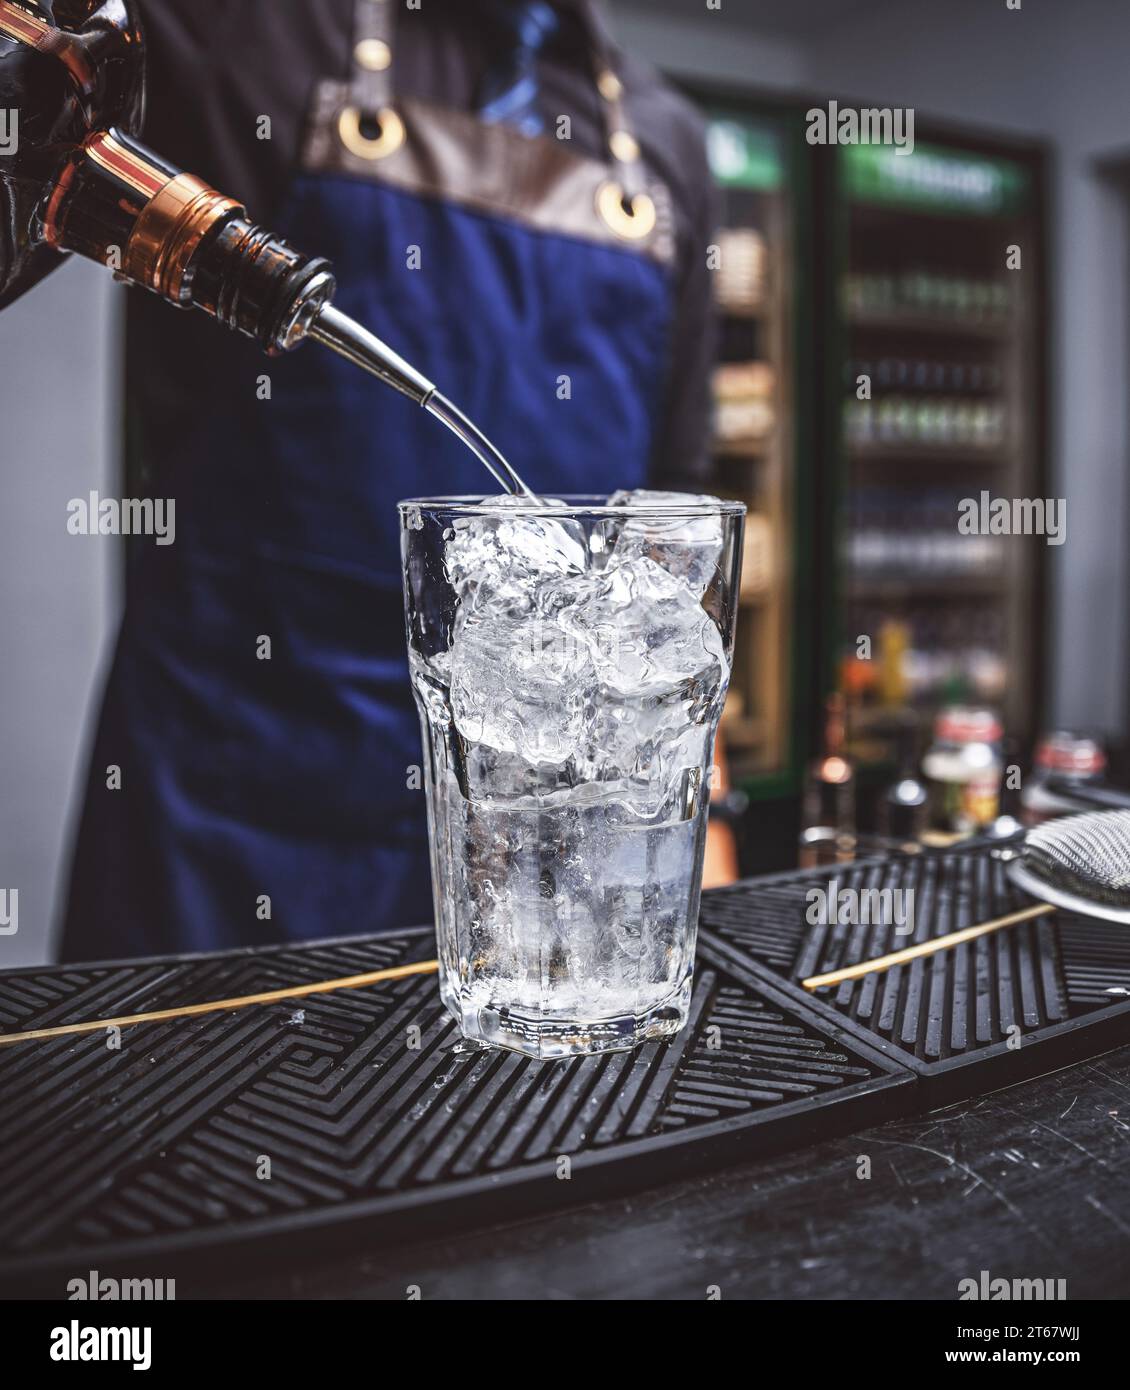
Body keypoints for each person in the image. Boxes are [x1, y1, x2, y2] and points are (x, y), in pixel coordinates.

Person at [60, 0, 733, 961]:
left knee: (513, 1103)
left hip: (535, 801)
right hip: (241, 766)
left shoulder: (666, 140)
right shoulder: (229, 30)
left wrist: (698, 786)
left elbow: (677, 502)